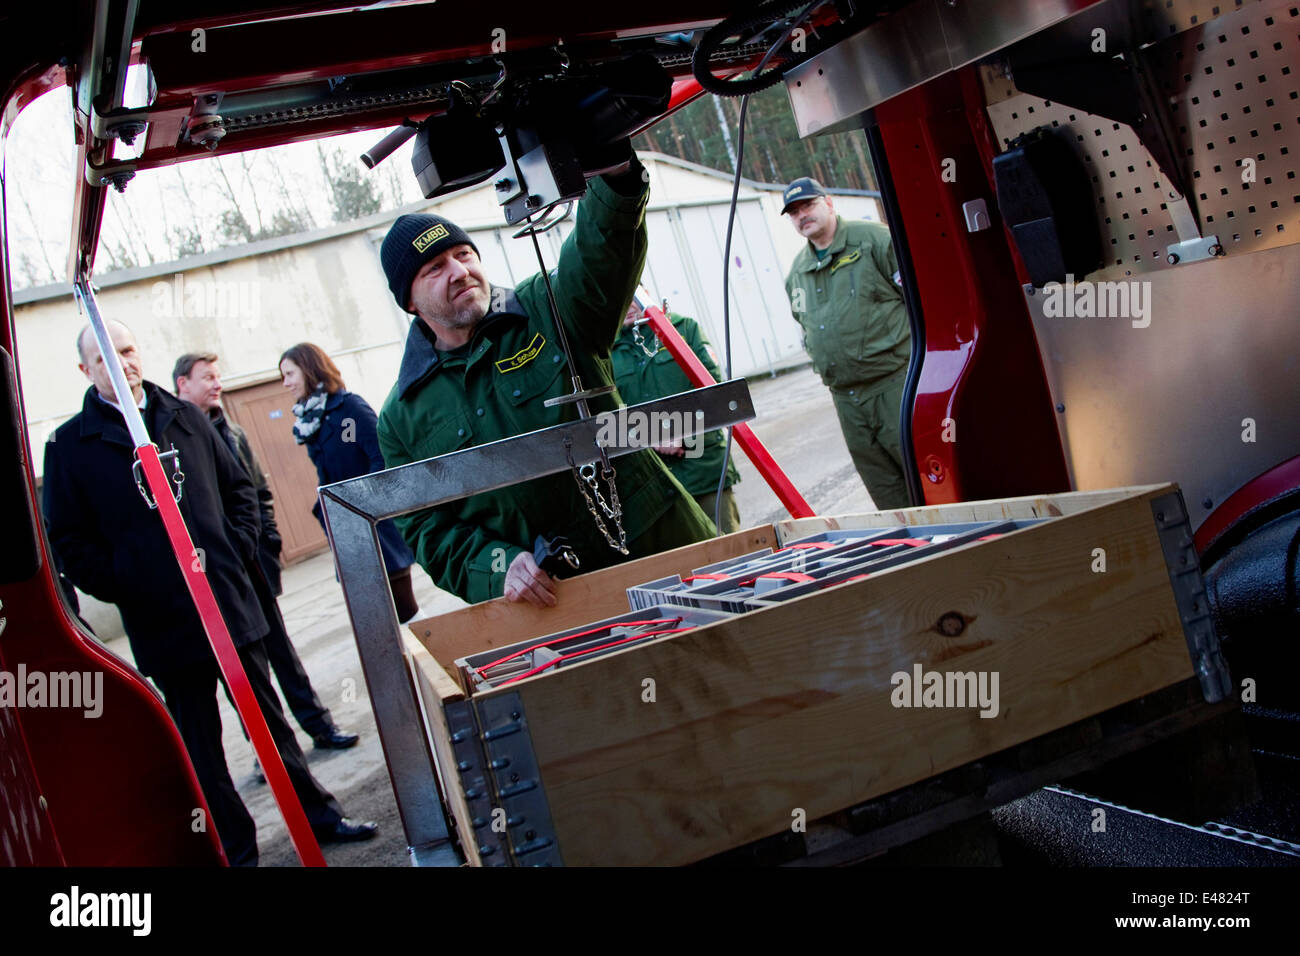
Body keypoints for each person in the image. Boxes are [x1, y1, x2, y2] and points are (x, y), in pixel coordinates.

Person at [43, 320, 378, 866]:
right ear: (86, 370)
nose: (121, 362)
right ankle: (240, 851)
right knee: (202, 747)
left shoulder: (186, 417)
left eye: (127, 349)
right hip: (163, 624)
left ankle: (320, 816)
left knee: (269, 723)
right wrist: (127, 582)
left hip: (227, 602)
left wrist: (239, 550)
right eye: (105, 357)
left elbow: (238, 487)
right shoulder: (69, 448)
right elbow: (69, 541)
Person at [375, 150, 716, 607]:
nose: (459, 272)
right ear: (410, 302)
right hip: (558, 602)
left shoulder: (546, 308)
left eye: (463, 254)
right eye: (435, 269)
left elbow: (599, 261)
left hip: (664, 548)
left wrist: (612, 172)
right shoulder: (401, 418)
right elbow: (427, 530)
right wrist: (499, 564)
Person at [173, 352, 359, 752]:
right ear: (182, 385)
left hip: (252, 565)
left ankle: (321, 728)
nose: (217, 384)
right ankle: (268, 752)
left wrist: (264, 544)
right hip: (215, 576)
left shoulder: (233, 434)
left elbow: (257, 493)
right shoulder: (171, 442)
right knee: (243, 671)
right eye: (207, 378)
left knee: (283, 654)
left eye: (218, 377)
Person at [782, 177, 913, 510]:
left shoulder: (874, 240)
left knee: (925, 477)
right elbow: (804, 325)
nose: (802, 216)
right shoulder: (798, 272)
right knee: (886, 492)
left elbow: (920, 300)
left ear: (828, 203)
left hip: (895, 385)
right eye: (794, 212)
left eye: (808, 205)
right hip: (846, 400)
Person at [278, 343, 421, 624]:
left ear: (308, 369)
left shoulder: (349, 407)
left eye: (289, 374)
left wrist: (365, 504)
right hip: (346, 532)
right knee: (378, 622)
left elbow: (381, 457)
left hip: (375, 527)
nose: (285, 383)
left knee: (406, 614)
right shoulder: (312, 421)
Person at [611, 301, 742, 533]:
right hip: (652, 483)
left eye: (633, 292)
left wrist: (678, 431)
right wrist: (648, 436)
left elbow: (716, 391)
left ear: (645, 293)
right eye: (620, 295)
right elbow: (607, 414)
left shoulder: (682, 330)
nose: (628, 302)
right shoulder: (606, 353)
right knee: (685, 563)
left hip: (701, 465)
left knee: (730, 550)